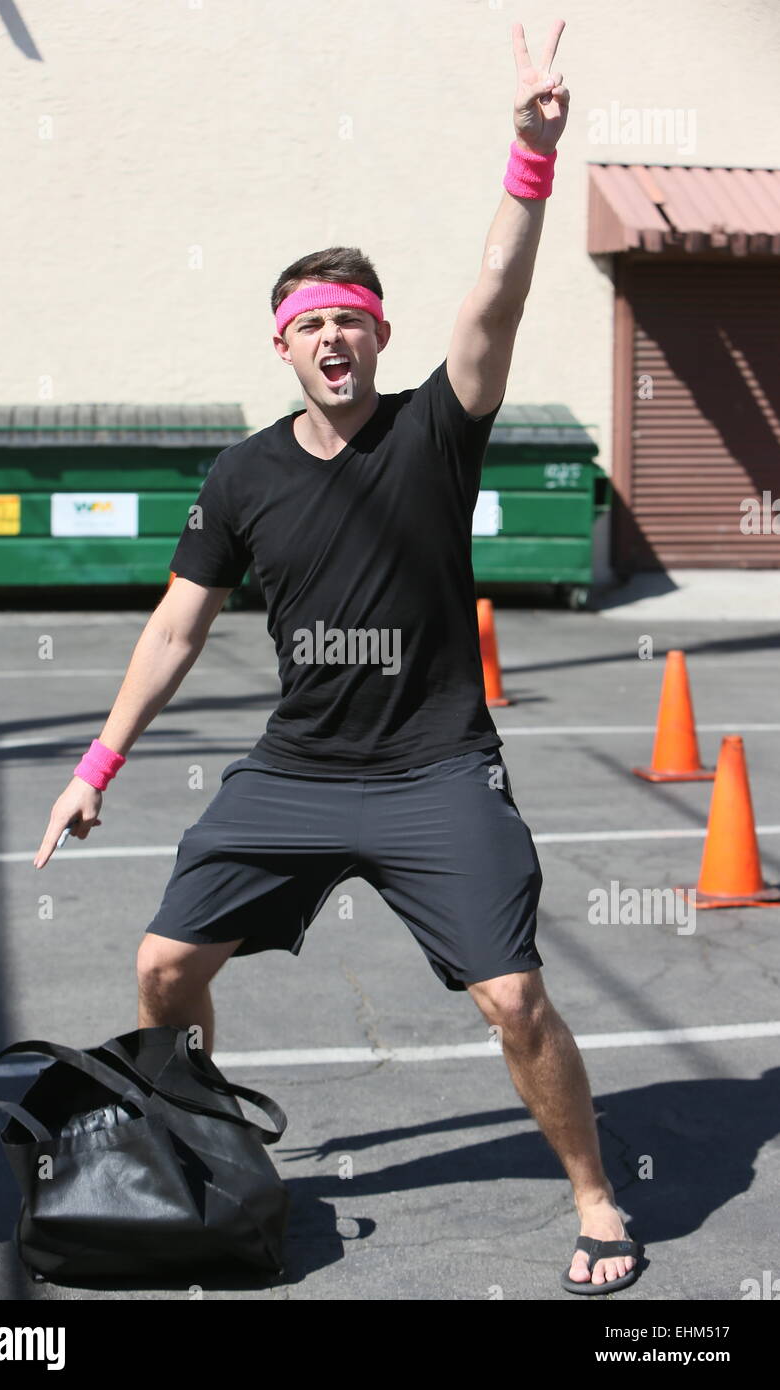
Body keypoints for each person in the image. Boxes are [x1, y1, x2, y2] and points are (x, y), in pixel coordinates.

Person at [33, 19, 641, 1296]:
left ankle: (593, 1196)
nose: (333, 340)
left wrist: (530, 157)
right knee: (159, 966)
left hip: (433, 768)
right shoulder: (241, 475)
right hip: (296, 769)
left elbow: (496, 294)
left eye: (352, 321)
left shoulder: (434, 431)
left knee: (514, 1000)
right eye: (311, 323)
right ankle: (188, 1148)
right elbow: (175, 625)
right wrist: (97, 760)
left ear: (377, 336)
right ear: (280, 343)